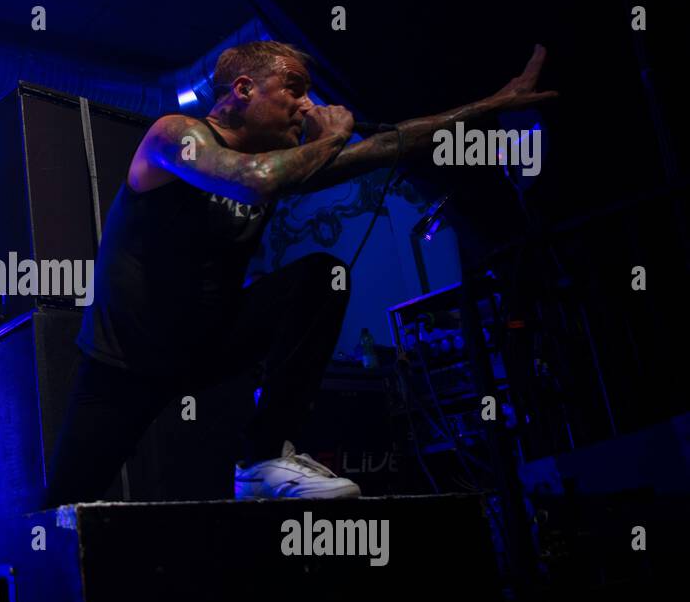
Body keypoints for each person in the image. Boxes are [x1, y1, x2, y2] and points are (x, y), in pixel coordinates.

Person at [47, 41, 556, 506]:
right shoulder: (175, 135)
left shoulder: (278, 162)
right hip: (126, 362)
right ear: (243, 89)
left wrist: (493, 104)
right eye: (294, 88)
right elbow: (255, 180)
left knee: (320, 277)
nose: (307, 105)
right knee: (65, 504)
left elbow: (391, 145)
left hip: (206, 347)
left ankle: (263, 458)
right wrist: (331, 139)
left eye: (309, 94)